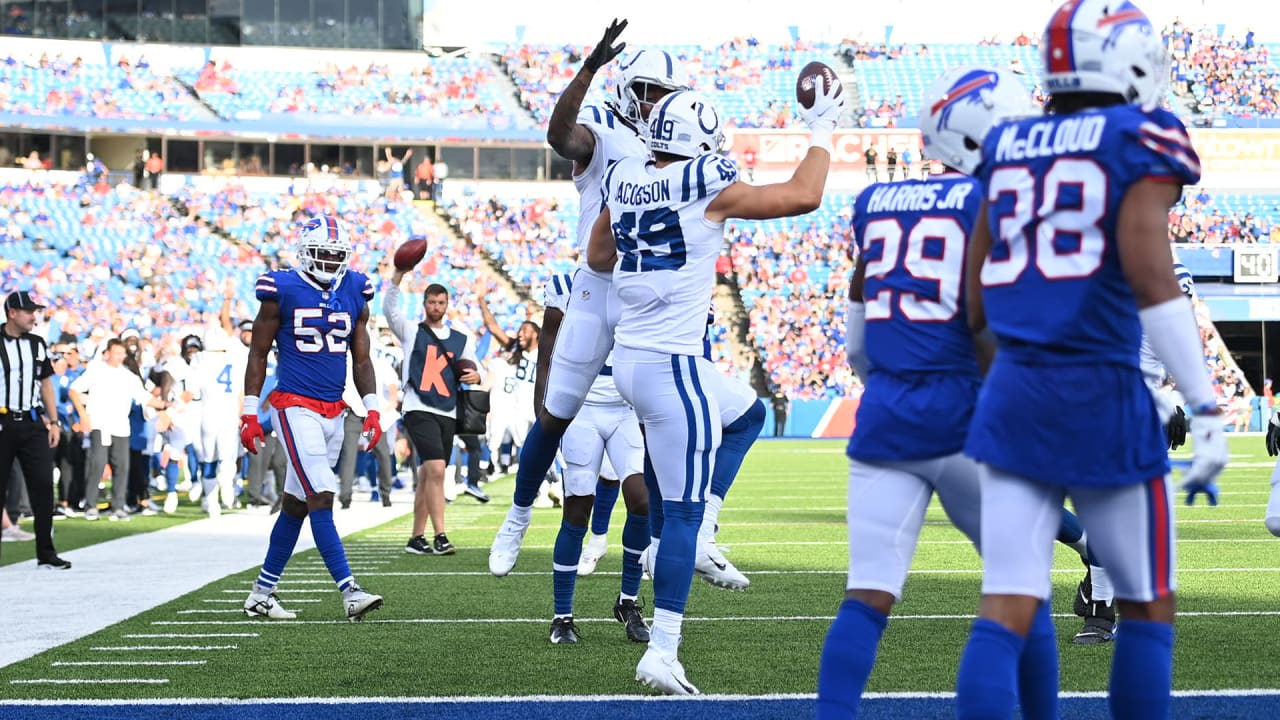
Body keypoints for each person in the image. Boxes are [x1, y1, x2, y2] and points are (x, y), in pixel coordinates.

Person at [954, 3, 1228, 717]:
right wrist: (1202, 404)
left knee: (1008, 601)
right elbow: (1151, 275)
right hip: (1103, 393)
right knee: (1147, 601)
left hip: (1014, 392)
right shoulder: (1141, 132)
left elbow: (975, 304)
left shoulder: (1008, 144)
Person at [816, 65, 1064, 720]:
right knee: (1021, 591)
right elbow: (994, 325)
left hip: (886, 421)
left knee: (866, 598)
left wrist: (891, 385)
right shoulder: (997, 207)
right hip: (969, 420)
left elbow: (860, 337)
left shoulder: (878, 202)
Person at [585, 82, 842, 693]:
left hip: (634, 358)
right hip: (672, 362)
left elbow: (597, 255)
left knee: (748, 413)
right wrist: (824, 127)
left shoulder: (623, 176)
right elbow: (805, 195)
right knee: (681, 513)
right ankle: (664, 649)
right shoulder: (704, 184)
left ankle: (695, 536)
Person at [489, 19, 691, 576]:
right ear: (628, 86)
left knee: (660, 416)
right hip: (598, 284)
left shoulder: (676, 140)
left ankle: (674, 531)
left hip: (646, 287)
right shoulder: (602, 125)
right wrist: (589, 67)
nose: (656, 104)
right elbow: (560, 137)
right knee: (556, 413)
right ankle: (519, 515)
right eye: (650, 92)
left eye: (665, 95)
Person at [238, 215, 384, 622]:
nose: (330, 261)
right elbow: (258, 353)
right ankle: (349, 591)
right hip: (293, 405)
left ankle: (261, 594)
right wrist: (250, 412)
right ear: (304, 252)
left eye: (337, 255)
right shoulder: (281, 287)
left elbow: (362, 355)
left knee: (297, 503)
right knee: (322, 492)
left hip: (334, 409)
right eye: (322, 253)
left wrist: (372, 407)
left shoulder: (355, 287)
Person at [538, 271, 650, 645]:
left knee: (641, 501)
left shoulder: (641, 279)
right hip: (581, 407)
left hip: (627, 406)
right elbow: (547, 351)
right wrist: (545, 417)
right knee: (577, 510)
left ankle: (629, 601)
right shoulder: (566, 285)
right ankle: (562, 615)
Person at [384, 273, 483, 556]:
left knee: (429, 473)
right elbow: (390, 311)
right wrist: (397, 279)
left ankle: (416, 538)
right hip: (418, 406)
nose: (436, 307)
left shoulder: (460, 339)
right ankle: (440, 535)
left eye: (440, 302)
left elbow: (477, 368)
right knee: (438, 469)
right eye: (431, 302)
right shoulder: (411, 331)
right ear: (424, 304)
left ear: (447, 304)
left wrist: (477, 374)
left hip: (448, 410)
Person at [0, 291, 68, 568]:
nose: (33, 316)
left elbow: (46, 384)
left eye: (35, 311)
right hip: (2, 421)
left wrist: (53, 421)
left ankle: (46, 553)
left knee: (42, 488)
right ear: (12, 313)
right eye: (28, 311)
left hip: (31, 423)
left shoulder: (37, 343)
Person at [69, 337, 165, 521]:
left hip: (120, 426)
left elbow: (144, 397)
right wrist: (83, 414)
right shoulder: (96, 371)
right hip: (99, 424)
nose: (120, 356)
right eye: (117, 353)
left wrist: (164, 404)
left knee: (122, 467)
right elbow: (75, 390)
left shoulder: (128, 376)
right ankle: (91, 505)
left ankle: (118, 506)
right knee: (97, 465)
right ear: (108, 353)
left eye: (122, 353)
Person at [475, 286, 539, 505]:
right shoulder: (515, 348)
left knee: (546, 447)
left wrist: (532, 317)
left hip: (537, 405)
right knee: (523, 446)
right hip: (516, 405)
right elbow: (493, 327)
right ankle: (532, 486)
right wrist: (482, 301)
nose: (519, 335)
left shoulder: (546, 350)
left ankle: (555, 483)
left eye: (524, 332)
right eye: (519, 331)